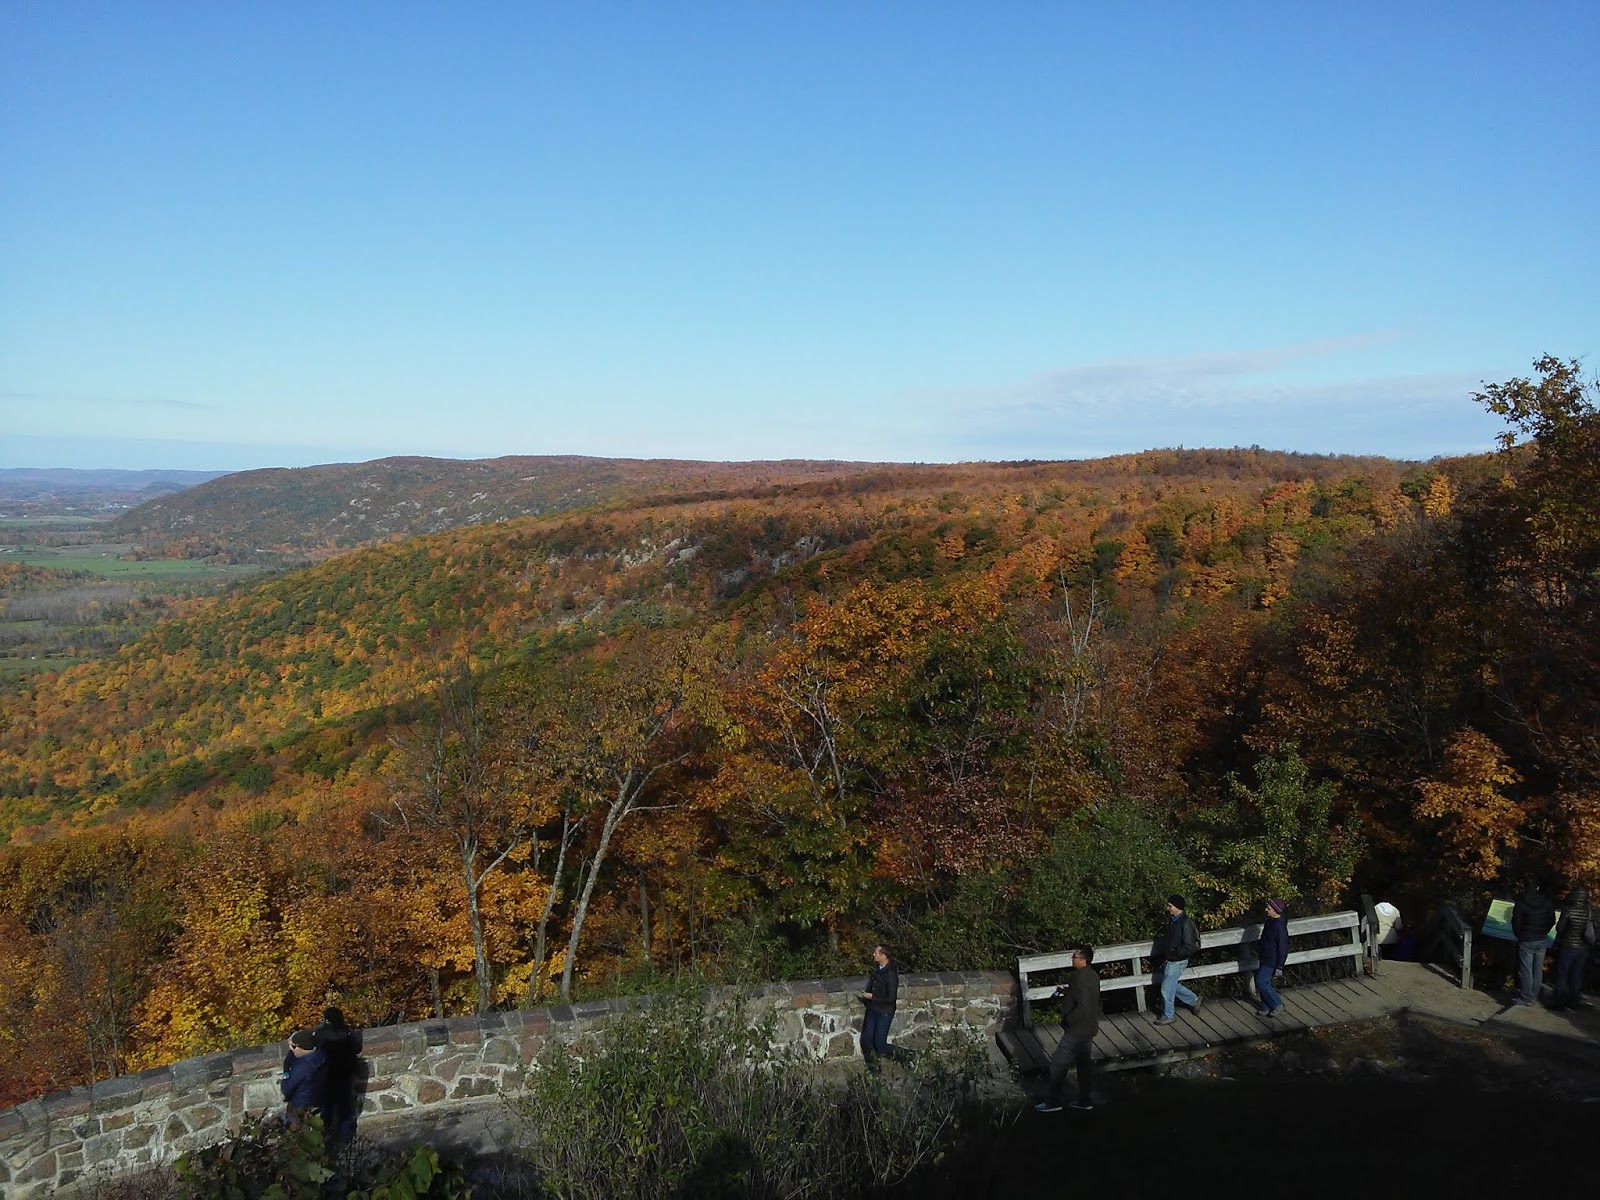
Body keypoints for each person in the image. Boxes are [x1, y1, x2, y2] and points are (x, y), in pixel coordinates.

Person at [1036, 946, 1100, 1113]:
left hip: (1077, 1029)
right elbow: (1083, 996)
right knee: (1083, 1065)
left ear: (1083, 960)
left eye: (1075, 957)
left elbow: (1084, 1005)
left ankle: (1053, 1101)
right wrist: (1067, 991)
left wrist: (1069, 1019)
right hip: (1088, 1027)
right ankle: (1085, 1100)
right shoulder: (1092, 975)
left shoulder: (1080, 977)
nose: (1072, 959)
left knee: (1058, 1063)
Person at [1151, 894, 1202, 1025]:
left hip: (1177, 960)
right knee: (1172, 985)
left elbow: (1190, 946)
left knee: (1166, 989)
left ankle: (1168, 1016)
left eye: (1170, 906)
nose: (1168, 908)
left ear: (1178, 907)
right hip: (1171, 959)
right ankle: (1193, 1000)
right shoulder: (1173, 920)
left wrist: (1176, 952)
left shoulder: (1185, 923)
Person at [314, 1006, 361, 1143]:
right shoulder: (346, 1033)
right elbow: (357, 1048)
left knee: (326, 1107)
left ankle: (326, 1135)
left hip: (326, 1074)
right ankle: (345, 1136)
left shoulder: (320, 1034)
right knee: (345, 1106)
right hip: (344, 1073)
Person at [858, 943, 909, 1066]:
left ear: (883, 956)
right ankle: (874, 1069)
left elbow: (891, 998)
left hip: (884, 1012)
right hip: (872, 1010)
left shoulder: (890, 974)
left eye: (876, 953)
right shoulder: (878, 970)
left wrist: (872, 997)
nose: (873, 954)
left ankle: (908, 1055)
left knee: (880, 1044)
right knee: (866, 1040)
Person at [1510, 880, 1555, 1005]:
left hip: (1526, 938)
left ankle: (1526, 997)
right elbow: (1552, 920)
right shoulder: (1546, 902)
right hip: (1541, 938)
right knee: (1537, 969)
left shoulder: (1521, 902)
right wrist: (1544, 931)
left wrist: (1520, 934)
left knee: (1525, 969)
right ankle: (1533, 996)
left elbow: (1516, 922)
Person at [1551, 885, 1593, 1010]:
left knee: (1563, 974)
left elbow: (1560, 928)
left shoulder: (1568, 910)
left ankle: (1559, 1001)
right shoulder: (1589, 911)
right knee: (1576, 974)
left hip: (1568, 946)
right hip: (1583, 948)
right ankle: (1573, 1001)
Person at [279, 1028, 326, 1129]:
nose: (291, 1049)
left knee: (296, 1137)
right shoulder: (321, 1056)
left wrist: (286, 1072)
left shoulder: (302, 1067)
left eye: (294, 1046)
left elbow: (286, 1089)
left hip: (300, 1108)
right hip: (319, 1103)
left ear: (303, 1047)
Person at [1254, 898, 1289, 1017]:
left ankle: (1277, 1004)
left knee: (1261, 982)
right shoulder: (1270, 922)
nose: (1266, 910)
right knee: (1264, 982)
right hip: (1264, 956)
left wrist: (1279, 965)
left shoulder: (1279, 927)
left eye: (1269, 908)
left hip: (1271, 960)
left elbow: (1283, 947)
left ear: (1275, 911)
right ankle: (1266, 1006)